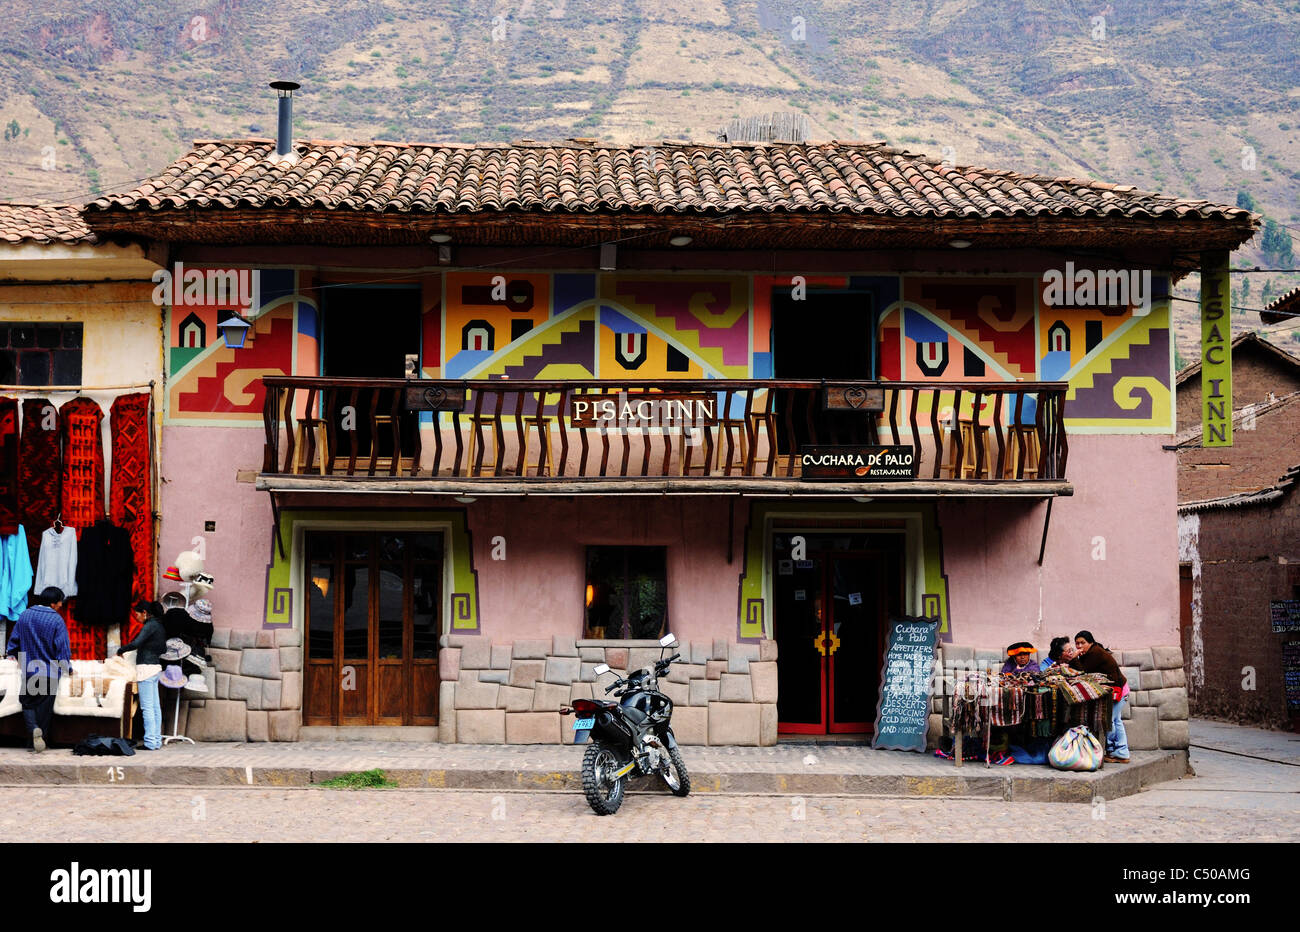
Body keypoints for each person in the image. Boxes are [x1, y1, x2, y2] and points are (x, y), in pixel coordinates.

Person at [4, 587, 71, 752]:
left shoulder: (25, 615)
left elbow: (14, 641)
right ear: (53, 603)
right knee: (44, 710)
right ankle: (40, 743)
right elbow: (62, 649)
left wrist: (13, 654)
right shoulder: (56, 620)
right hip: (50, 673)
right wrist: (67, 667)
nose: (61, 605)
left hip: (30, 670)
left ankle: (33, 730)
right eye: (60, 601)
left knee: (27, 704)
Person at [115, 600, 167, 751]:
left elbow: (136, 643)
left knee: (147, 708)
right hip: (155, 668)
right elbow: (163, 648)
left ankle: (150, 742)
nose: (136, 617)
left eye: (137, 614)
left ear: (144, 613)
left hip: (146, 668)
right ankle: (156, 741)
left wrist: (121, 650)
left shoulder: (150, 625)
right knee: (155, 707)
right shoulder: (159, 625)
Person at [1072, 630, 1130, 764]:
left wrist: (1074, 658)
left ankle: (1121, 752)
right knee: (1115, 720)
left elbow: (1083, 672)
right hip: (1117, 690)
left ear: (1090, 642)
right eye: (1077, 644)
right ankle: (1117, 752)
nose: (1079, 646)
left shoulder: (1095, 653)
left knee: (1112, 721)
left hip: (1119, 691)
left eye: (1082, 643)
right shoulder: (1089, 653)